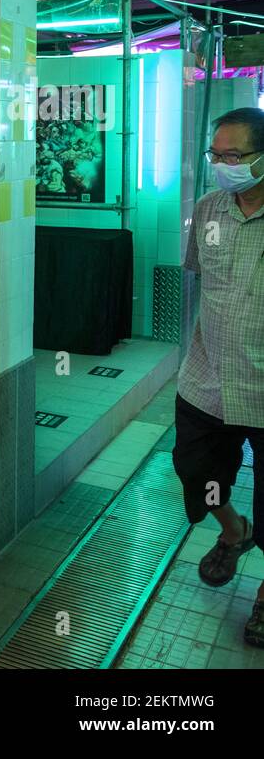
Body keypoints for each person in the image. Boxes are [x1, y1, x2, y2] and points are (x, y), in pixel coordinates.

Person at [174, 106, 264, 648]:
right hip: (207, 381)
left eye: (236, 156)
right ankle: (234, 530)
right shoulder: (208, 209)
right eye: (218, 156)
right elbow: (198, 282)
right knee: (198, 475)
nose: (225, 166)